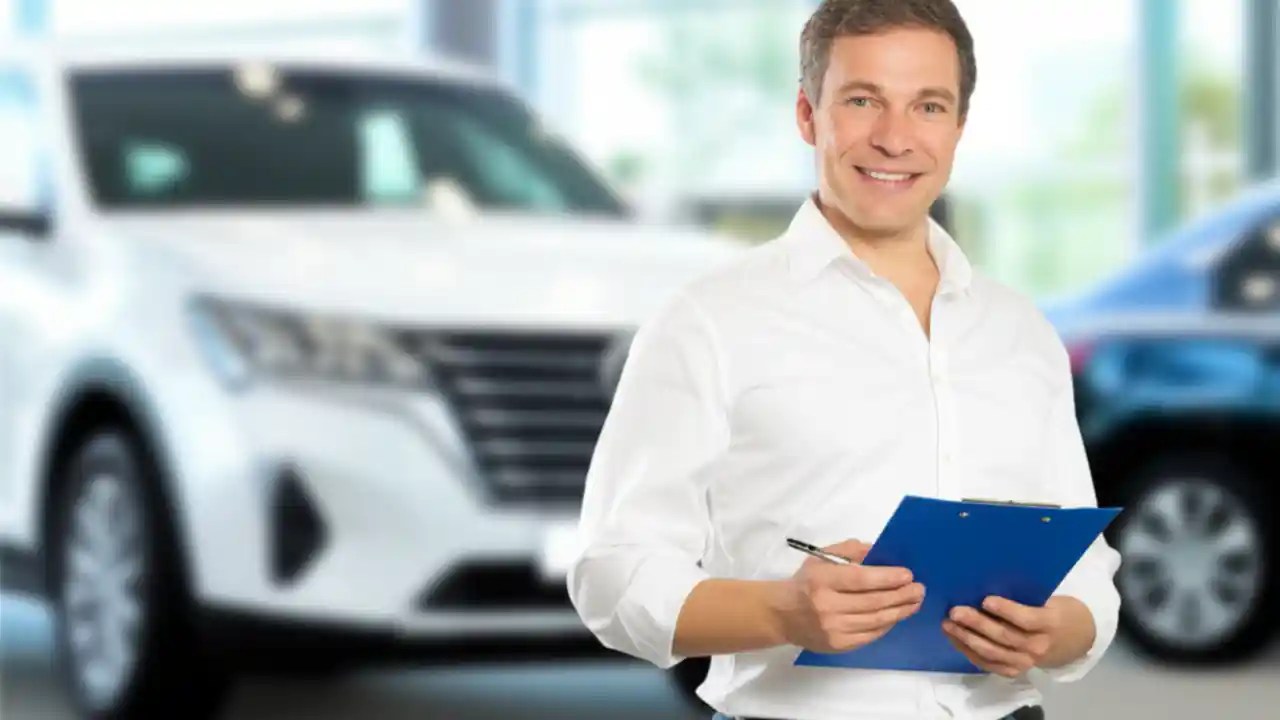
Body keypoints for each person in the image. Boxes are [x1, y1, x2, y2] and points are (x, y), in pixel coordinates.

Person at [567, 1, 1122, 718]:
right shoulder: (707, 322)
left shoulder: (1020, 334)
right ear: (808, 114)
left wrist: (1053, 633)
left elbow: (1087, 577)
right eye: (863, 101)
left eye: (928, 106)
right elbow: (611, 575)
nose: (895, 138)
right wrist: (783, 613)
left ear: (958, 128)